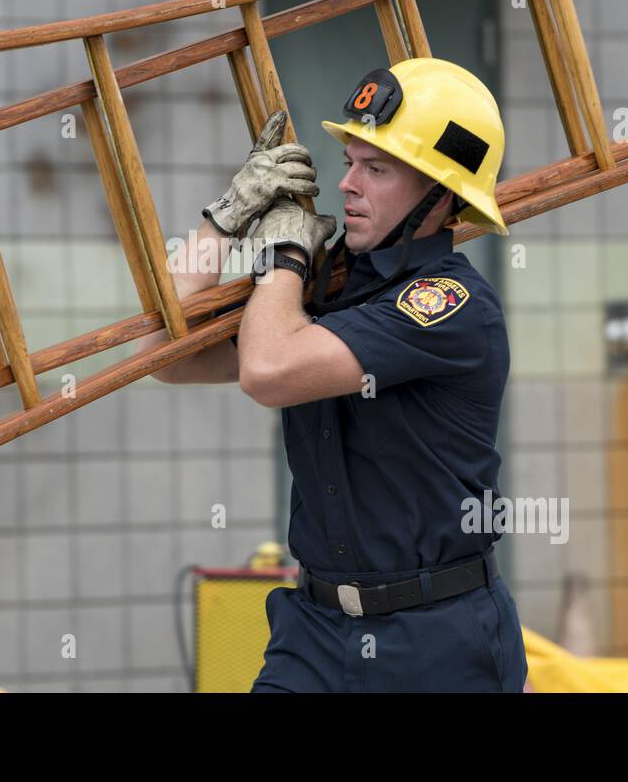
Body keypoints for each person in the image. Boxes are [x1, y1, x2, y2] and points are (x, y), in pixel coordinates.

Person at [138, 58, 527, 692]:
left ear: (440, 192)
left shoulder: (449, 302)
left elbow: (266, 371)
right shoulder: (330, 285)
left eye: (376, 169)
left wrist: (284, 256)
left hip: (434, 640)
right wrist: (225, 216)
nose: (347, 184)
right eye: (349, 161)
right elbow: (169, 354)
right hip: (314, 631)